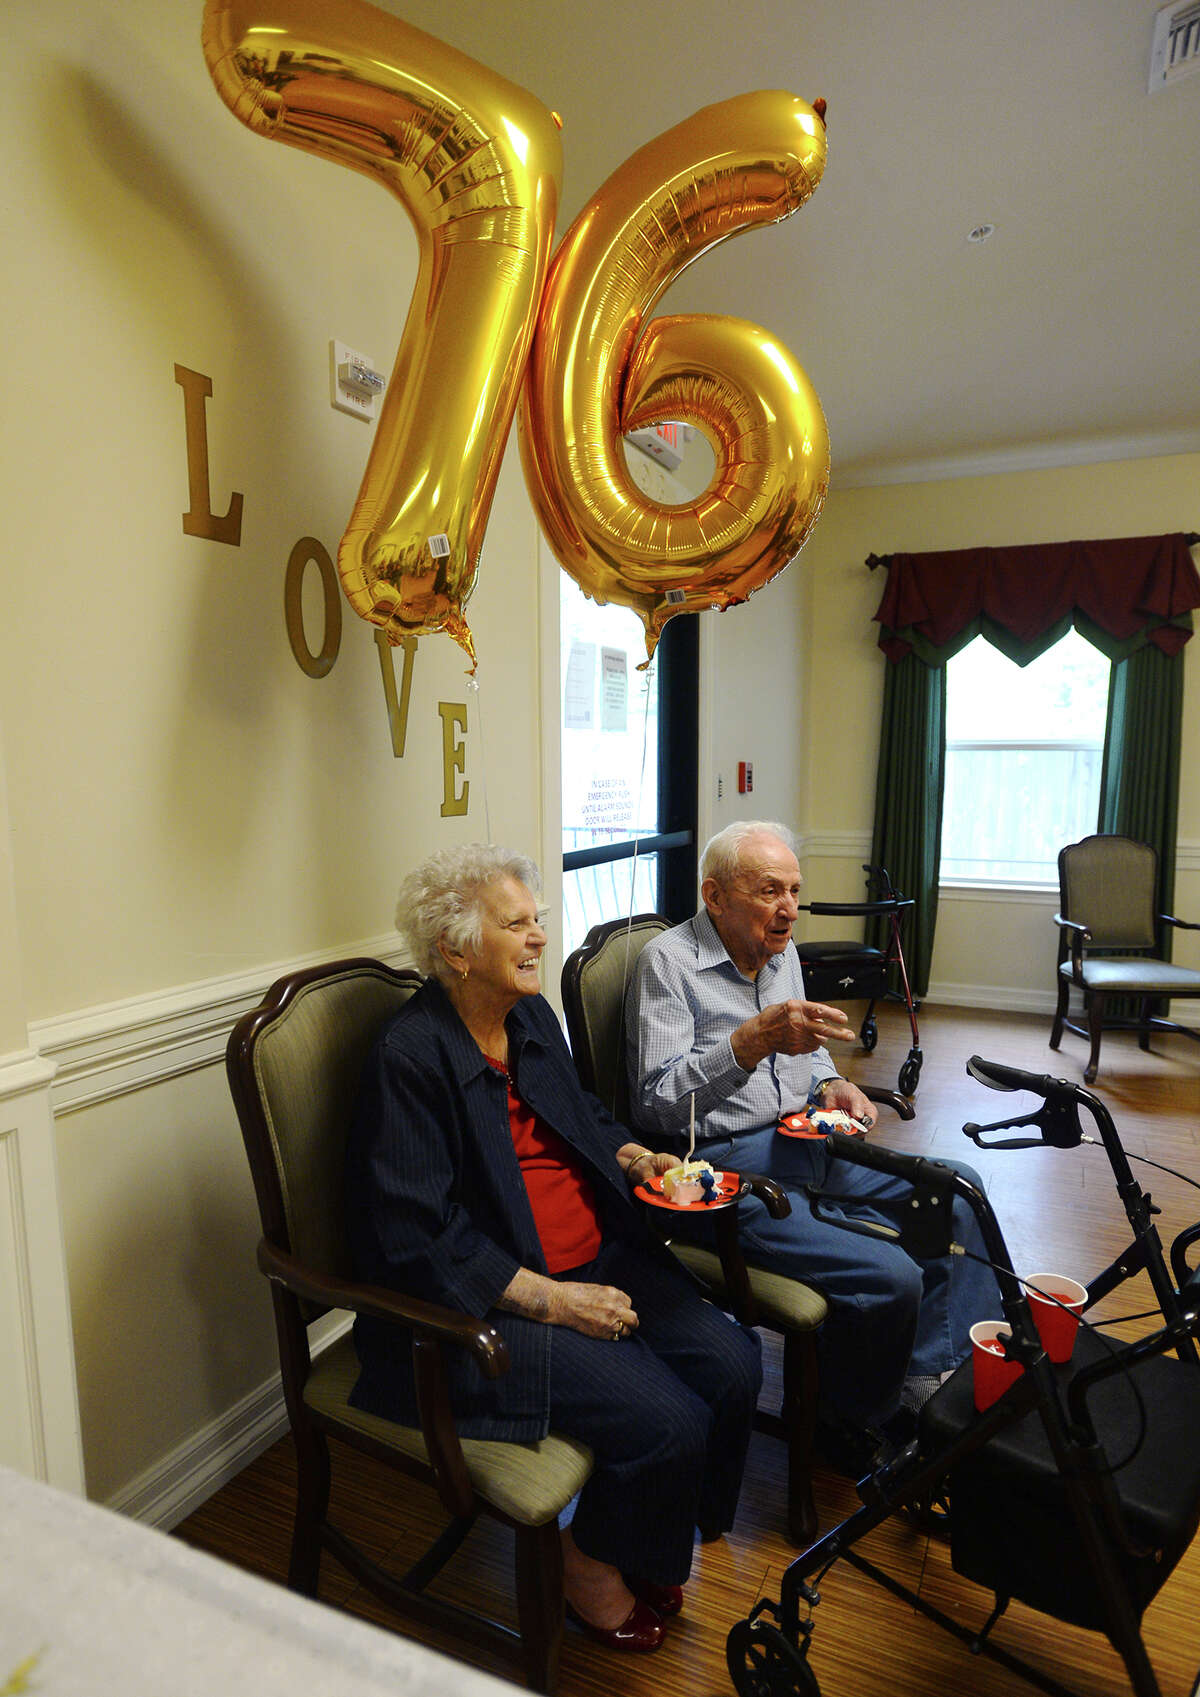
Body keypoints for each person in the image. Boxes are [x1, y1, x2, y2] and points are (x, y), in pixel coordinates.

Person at [345, 843, 762, 1655]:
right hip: (493, 1304)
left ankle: (652, 1535)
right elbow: (416, 1238)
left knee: (733, 1361)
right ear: (456, 949)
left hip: (594, 1251)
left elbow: (585, 1118)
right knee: (668, 1419)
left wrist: (633, 1157)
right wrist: (556, 1301)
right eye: (517, 924)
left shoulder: (529, 1017)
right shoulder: (411, 1057)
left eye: (537, 919)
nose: (540, 936)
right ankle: (587, 1563)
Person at [625, 820, 1000, 1455]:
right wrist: (748, 1044)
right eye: (770, 890)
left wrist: (831, 1083)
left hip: (804, 1140)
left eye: (794, 891)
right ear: (714, 896)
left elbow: (810, 1051)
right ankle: (850, 1421)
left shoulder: (782, 953)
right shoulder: (668, 964)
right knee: (892, 1276)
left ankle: (928, 1386)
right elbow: (657, 1104)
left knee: (958, 1191)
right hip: (720, 1174)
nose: (789, 909)